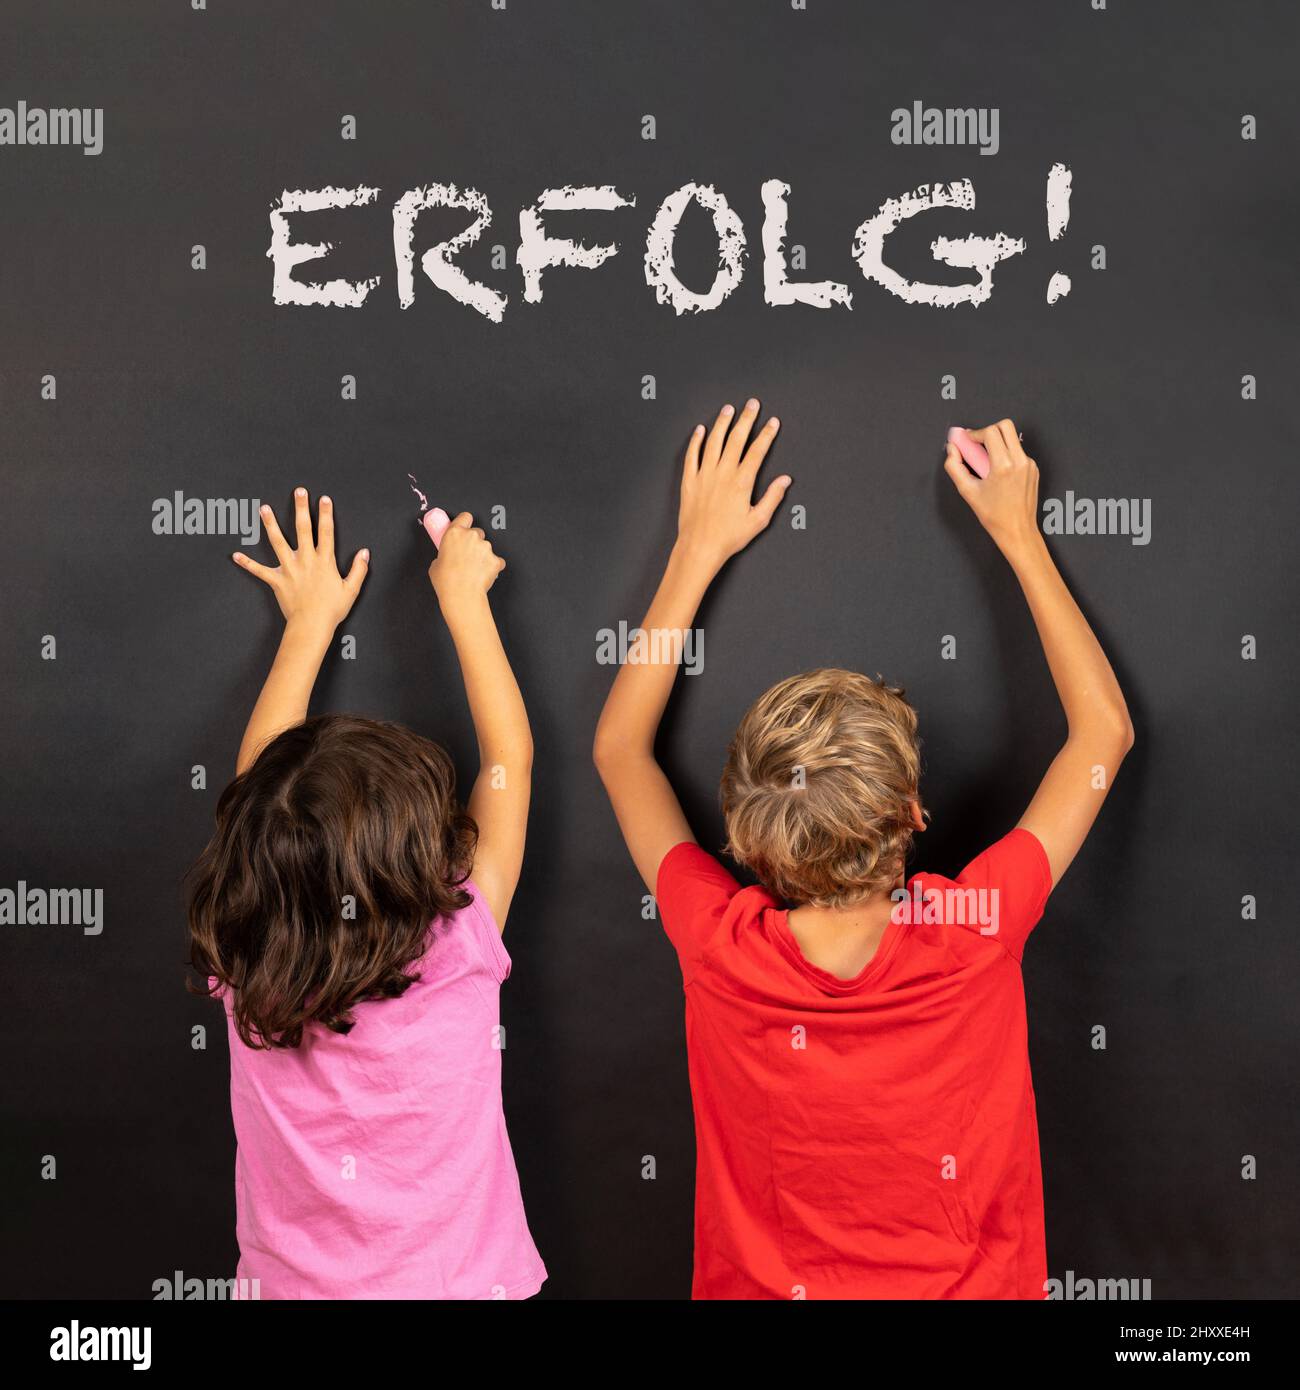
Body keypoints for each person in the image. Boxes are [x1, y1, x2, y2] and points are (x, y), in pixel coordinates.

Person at [593, 403, 1133, 1298]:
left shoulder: (719, 944)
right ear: (916, 813)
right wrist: (1020, 537)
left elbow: (620, 752)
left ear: (747, 836)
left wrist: (694, 549)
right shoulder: (972, 926)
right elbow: (1103, 734)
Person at [188, 489, 545, 1299]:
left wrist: (307, 625)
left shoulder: (248, 949)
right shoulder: (460, 944)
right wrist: (464, 601)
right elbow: (509, 760)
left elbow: (261, 800)